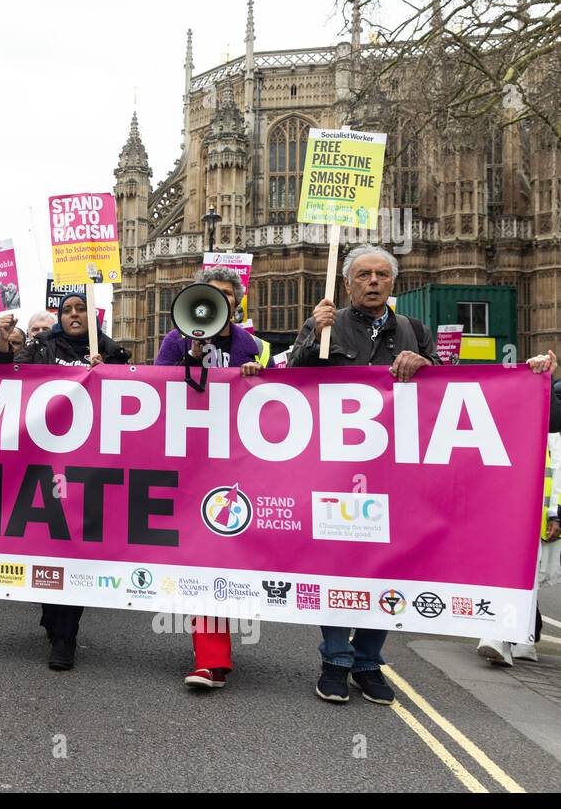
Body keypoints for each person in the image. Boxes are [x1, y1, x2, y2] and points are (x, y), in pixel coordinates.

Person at [287, 245, 439, 705]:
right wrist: (316, 335)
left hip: (397, 473)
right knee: (338, 566)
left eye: (381, 275)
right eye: (362, 275)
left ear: (393, 283)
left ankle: (368, 660)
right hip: (337, 470)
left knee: (387, 568)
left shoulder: (414, 331)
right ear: (348, 283)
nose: (372, 282)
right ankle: (335, 659)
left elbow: (447, 396)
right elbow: (291, 381)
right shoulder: (324, 325)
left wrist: (427, 367)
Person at [0, 291, 129, 670]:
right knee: (45, 544)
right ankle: (53, 616)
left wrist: (108, 371)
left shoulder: (112, 350)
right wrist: (4, 343)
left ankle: (66, 637)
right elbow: (6, 376)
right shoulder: (41, 346)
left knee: (74, 548)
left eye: (80, 309)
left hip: (87, 468)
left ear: (92, 316)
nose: (72, 315)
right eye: (66, 310)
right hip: (42, 462)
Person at [155, 266, 264, 689]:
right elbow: (159, 391)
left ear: (236, 301)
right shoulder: (176, 340)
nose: (216, 300)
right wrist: (193, 356)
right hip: (188, 461)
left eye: (225, 294)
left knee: (222, 555)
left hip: (234, 461)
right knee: (202, 555)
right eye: (209, 293)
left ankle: (211, 655)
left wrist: (257, 378)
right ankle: (211, 657)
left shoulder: (250, 344)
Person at [477, 351, 561, 666]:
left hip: (538, 511)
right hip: (522, 507)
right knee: (514, 573)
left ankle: (509, 638)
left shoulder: (550, 408)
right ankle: (513, 638)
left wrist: (556, 514)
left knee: (520, 575)